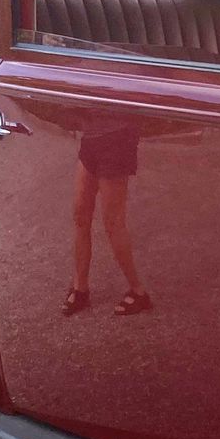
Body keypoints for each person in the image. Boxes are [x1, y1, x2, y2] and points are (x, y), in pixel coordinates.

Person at [63, 121, 150, 316]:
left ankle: (139, 292)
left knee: (113, 222)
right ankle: (80, 289)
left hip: (116, 139)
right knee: (80, 214)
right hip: (91, 138)